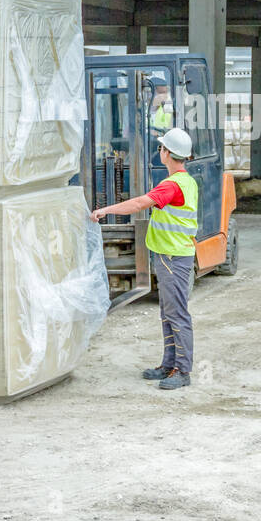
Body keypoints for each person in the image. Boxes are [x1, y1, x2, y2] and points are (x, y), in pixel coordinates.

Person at [90, 127, 198, 390]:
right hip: (169, 255)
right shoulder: (186, 181)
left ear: (168, 154)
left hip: (173, 257)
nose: (159, 151)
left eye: (161, 148)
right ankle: (169, 364)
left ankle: (182, 371)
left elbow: (140, 204)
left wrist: (105, 210)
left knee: (177, 314)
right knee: (168, 312)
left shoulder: (173, 185)